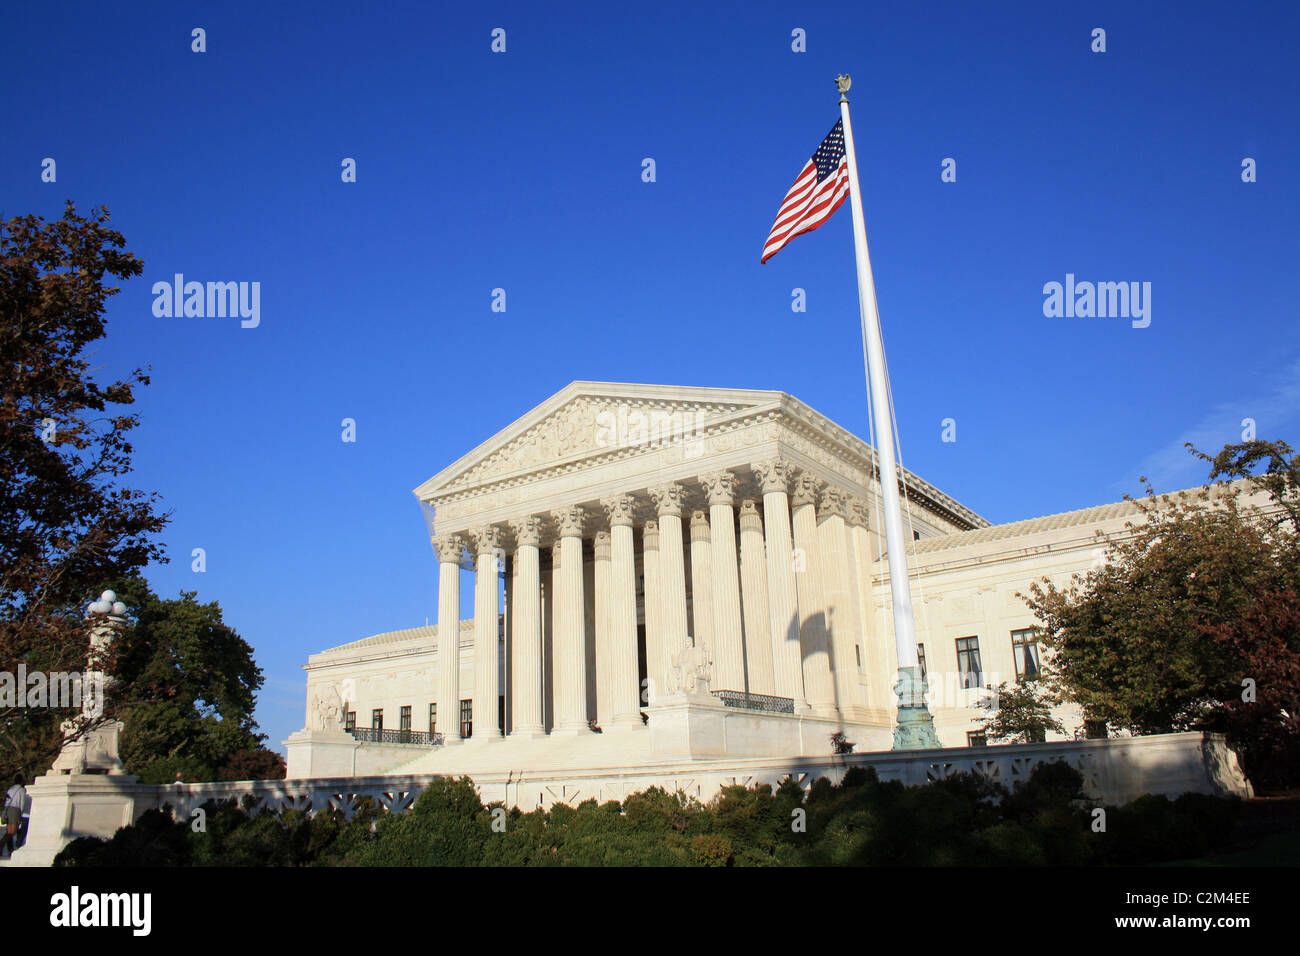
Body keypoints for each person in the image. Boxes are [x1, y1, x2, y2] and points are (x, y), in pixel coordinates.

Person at [1, 774, 26, 858]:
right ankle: (1, 845)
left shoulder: (10, 789)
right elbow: (22, 803)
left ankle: (10, 850)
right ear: (21, 781)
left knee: (9, 831)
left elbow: (7, 800)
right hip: (15, 810)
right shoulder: (21, 790)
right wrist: (20, 813)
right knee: (12, 831)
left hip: (7, 809)